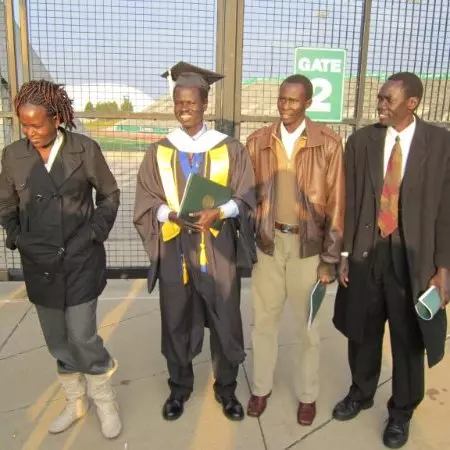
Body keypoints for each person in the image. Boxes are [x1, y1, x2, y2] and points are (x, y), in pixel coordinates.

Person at [133, 62, 256, 422]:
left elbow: (246, 196)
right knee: (175, 318)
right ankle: (179, 388)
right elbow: (146, 200)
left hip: (216, 251)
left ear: (205, 104)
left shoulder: (228, 148)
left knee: (225, 319)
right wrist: (169, 215)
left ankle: (227, 390)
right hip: (174, 250)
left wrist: (220, 213)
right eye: (178, 102)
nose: (184, 108)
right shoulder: (159, 151)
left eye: (191, 102)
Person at [333, 72, 449, 449]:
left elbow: (447, 211)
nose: (380, 105)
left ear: (411, 103)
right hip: (368, 255)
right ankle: (361, 391)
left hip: (413, 260)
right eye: (379, 98)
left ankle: (401, 412)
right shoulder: (362, 141)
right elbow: (348, 202)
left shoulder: (441, 145)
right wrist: (346, 253)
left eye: (388, 100)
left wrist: (444, 269)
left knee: (408, 340)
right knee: (362, 332)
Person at [0, 80, 122, 439]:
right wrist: (16, 237)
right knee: (57, 339)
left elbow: (110, 196)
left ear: (56, 119)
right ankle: (75, 400)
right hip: (39, 263)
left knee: (83, 335)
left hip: (81, 258)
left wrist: (92, 234)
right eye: (25, 125)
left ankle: (104, 398)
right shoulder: (12, 155)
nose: (30, 132)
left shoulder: (84, 149)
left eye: (37, 124)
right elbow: (6, 203)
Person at [245, 74, 345, 425]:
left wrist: (330, 259)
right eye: (282, 99)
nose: (285, 106)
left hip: (308, 250)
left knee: (308, 328)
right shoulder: (258, 141)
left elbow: (336, 204)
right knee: (263, 324)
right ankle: (260, 388)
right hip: (269, 245)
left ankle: (307, 395)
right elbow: (246, 193)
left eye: (293, 101)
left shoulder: (328, 145)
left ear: (308, 103)